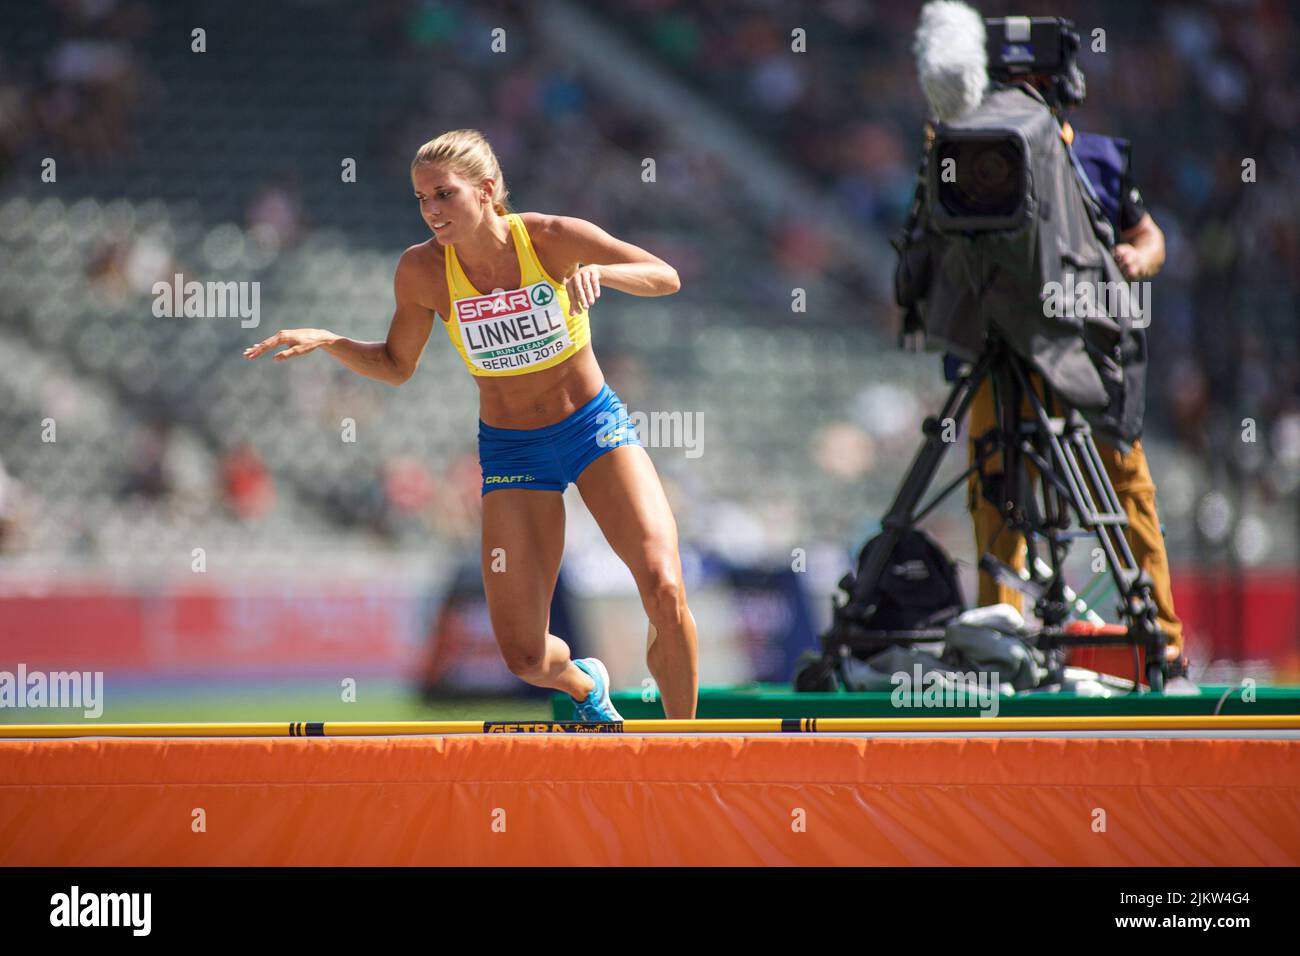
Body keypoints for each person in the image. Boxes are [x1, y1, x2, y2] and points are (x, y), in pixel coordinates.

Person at [244, 128, 699, 719]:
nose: (431, 211)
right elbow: (395, 365)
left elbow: (665, 275)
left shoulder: (552, 238)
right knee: (523, 656)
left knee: (664, 587)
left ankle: (681, 753)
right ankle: (588, 687)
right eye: (421, 199)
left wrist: (602, 274)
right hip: (513, 453)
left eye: (444, 194)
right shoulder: (422, 272)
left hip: (592, 429)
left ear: (487, 191)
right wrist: (330, 341)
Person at [964, 80, 1186, 668]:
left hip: (1089, 349)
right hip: (1002, 350)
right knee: (995, 484)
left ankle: (1162, 637)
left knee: (1126, 485)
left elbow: (1147, 234)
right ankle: (1000, 641)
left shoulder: (1099, 158)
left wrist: (1141, 258)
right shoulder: (966, 159)